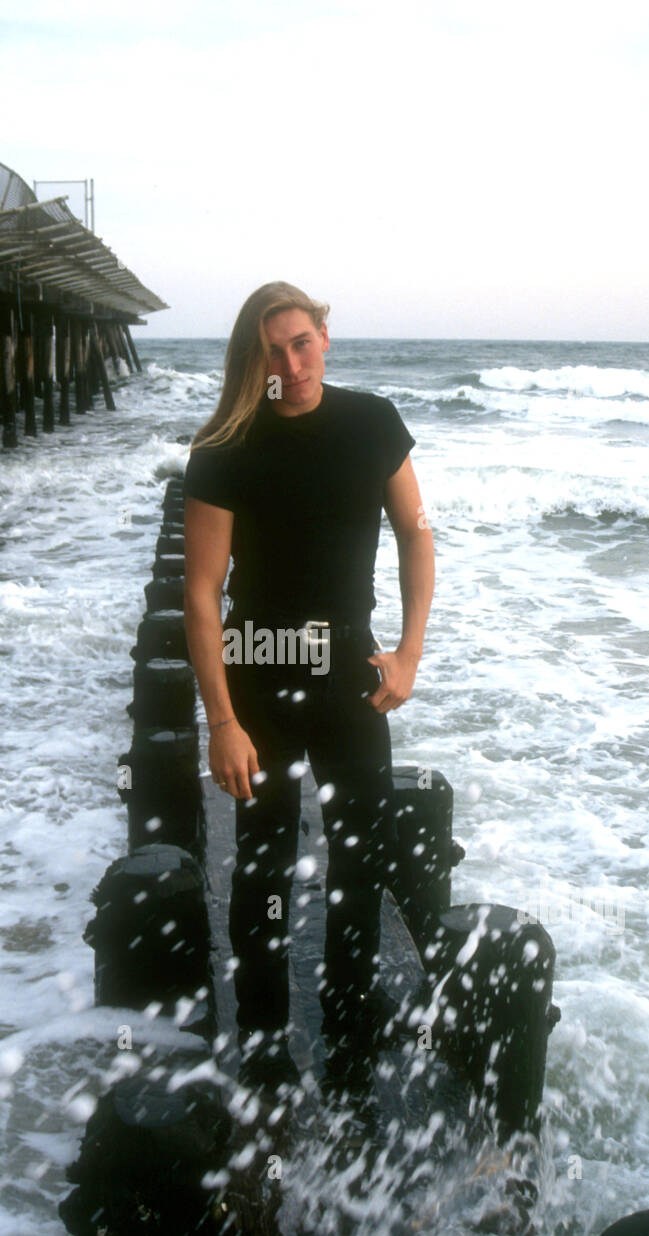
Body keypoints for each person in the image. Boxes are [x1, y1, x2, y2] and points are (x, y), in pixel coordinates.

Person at [183, 282, 434, 1094]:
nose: (289, 365)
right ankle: (261, 1053)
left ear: (325, 336)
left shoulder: (370, 423)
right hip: (257, 675)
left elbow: (416, 535)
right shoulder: (226, 445)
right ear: (251, 360)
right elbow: (200, 590)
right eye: (270, 351)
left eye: (300, 343)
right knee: (261, 866)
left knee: (361, 863)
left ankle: (350, 1034)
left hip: (351, 681)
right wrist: (220, 720)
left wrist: (407, 651)